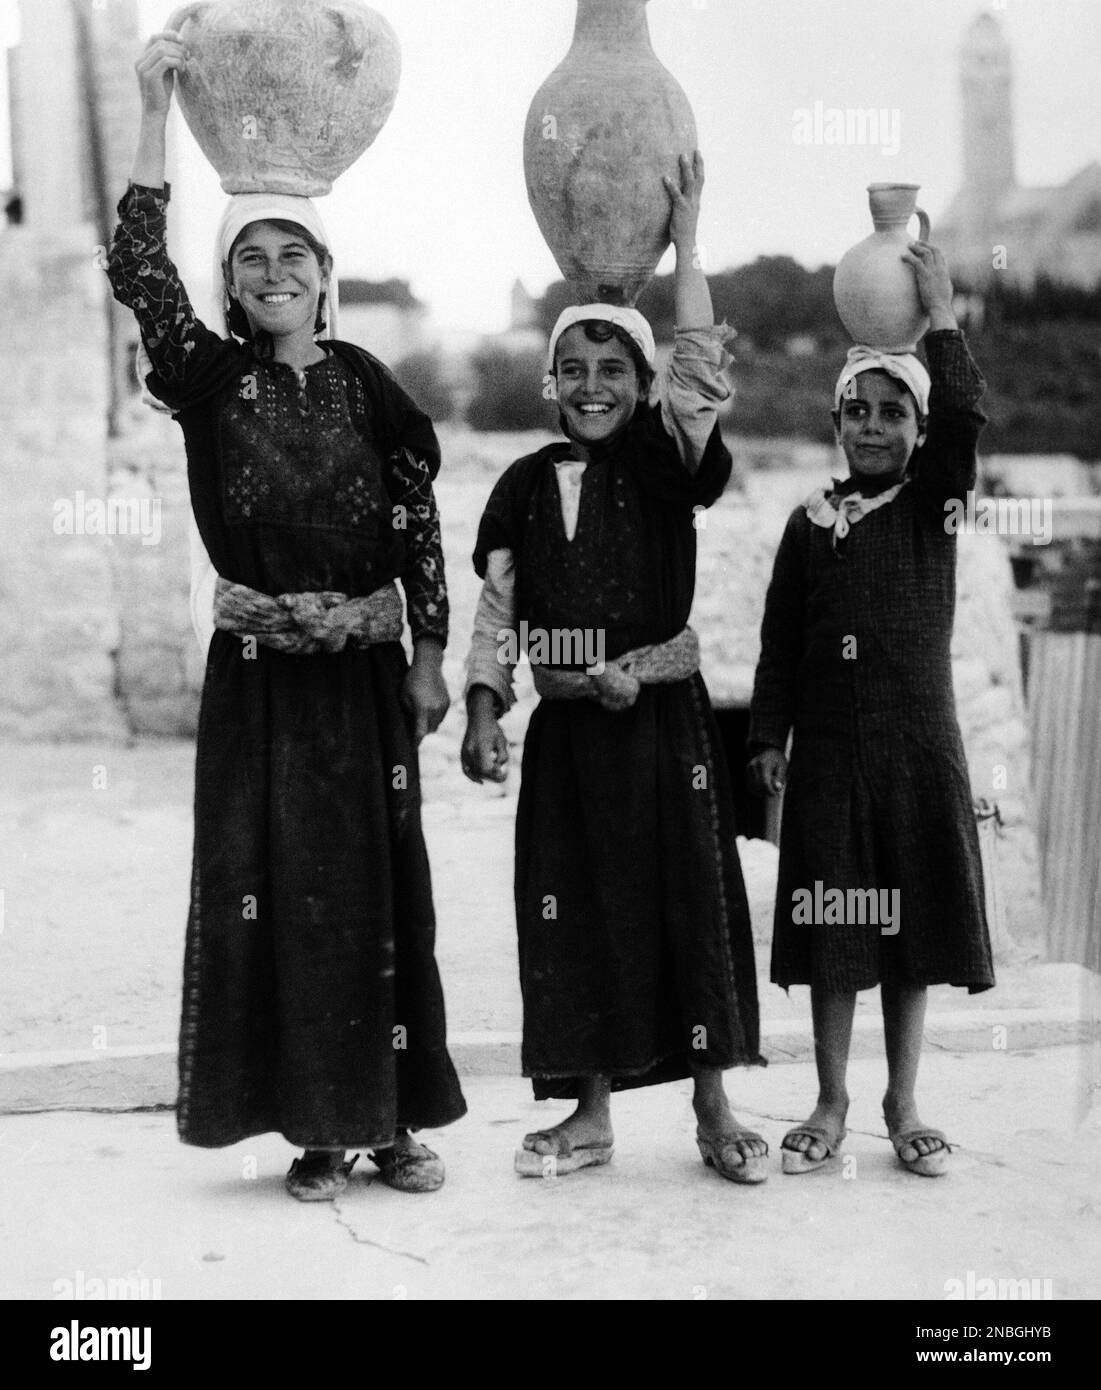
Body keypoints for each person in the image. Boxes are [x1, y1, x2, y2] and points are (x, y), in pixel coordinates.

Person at [107, 31, 466, 1200]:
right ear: (232, 277)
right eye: (251, 256)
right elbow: (137, 268)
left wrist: (426, 652)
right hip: (260, 677)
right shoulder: (210, 380)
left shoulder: (367, 382)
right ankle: (317, 1128)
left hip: (363, 685)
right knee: (283, 894)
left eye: (293, 255)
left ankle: (396, 1123)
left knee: (383, 895)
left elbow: (416, 520)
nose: (273, 272)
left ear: (325, 270)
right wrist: (156, 110)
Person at [462, 153, 766, 1184]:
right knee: (575, 912)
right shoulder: (519, 483)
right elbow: (498, 610)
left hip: (664, 728)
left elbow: (700, 360)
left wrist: (688, 241)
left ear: (643, 390)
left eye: (615, 373)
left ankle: (715, 1110)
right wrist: (484, 706)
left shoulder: (664, 462)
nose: (594, 388)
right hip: (569, 741)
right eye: (575, 371)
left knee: (689, 902)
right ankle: (588, 1117)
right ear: (552, 382)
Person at [746, 238, 995, 1178]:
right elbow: (779, 642)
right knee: (834, 932)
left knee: (906, 936)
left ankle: (902, 1100)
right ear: (834, 423)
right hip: (832, 761)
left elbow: (966, 409)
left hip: (917, 751)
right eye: (857, 411)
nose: (873, 426)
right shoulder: (807, 526)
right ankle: (830, 1098)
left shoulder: (933, 507)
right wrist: (770, 736)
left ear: (917, 432)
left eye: (894, 413)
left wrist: (938, 312)